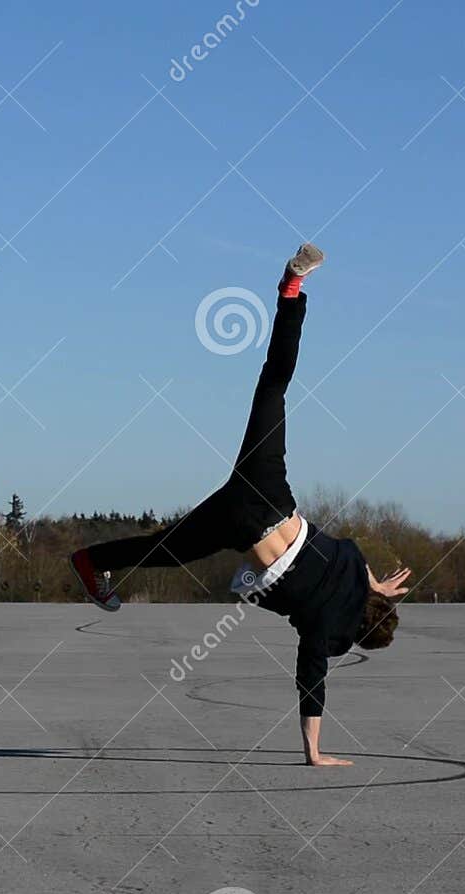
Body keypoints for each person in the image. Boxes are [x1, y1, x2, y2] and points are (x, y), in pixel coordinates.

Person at [68, 244, 410, 767]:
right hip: (241, 523)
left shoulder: (351, 565)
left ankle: (292, 293)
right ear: (359, 631)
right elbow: (310, 679)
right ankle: (93, 561)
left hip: (266, 487)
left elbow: (356, 566)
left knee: (275, 382)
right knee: (167, 551)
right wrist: (313, 751)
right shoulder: (326, 625)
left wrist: (376, 586)